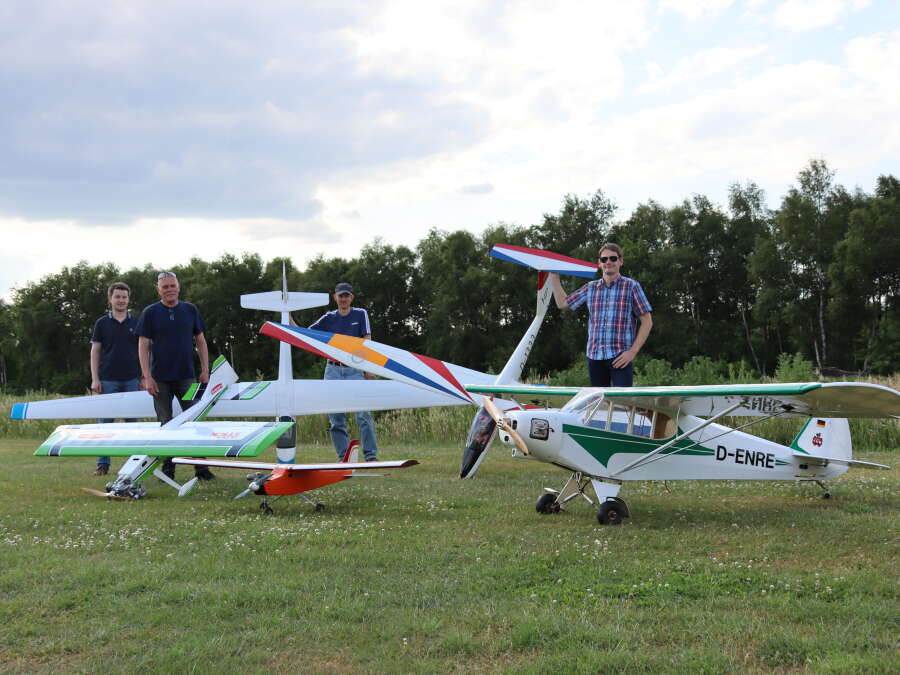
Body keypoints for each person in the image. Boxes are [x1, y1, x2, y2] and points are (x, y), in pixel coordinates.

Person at [136, 271, 214, 480]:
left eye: (172, 286)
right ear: (158, 289)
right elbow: (143, 346)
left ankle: (201, 469)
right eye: (165, 287)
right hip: (159, 378)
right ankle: (168, 469)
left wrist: (205, 370)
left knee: (193, 423)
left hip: (186, 376)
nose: (169, 289)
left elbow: (201, 341)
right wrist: (147, 376)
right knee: (165, 423)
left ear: (178, 287)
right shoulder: (150, 312)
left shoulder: (190, 310)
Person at [549, 243, 653, 387]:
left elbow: (647, 322)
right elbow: (562, 303)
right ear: (599, 263)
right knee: (599, 402)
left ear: (620, 261)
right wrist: (554, 277)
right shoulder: (591, 287)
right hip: (594, 356)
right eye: (604, 259)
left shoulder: (631, 286)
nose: (608, 262)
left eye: (613, 258)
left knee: (622, 403)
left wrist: (632, 352)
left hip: (620, 356)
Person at [309, 282, 379, 461]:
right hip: (332, 370)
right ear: (335, 298)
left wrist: (368, 369)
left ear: (351, 298)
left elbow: (367, 342)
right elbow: (305, 334)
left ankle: (370, 457)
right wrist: (288, 317)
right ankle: (343, 459)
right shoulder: (328, 317)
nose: (343, 299)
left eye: (346, 296)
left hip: (355, 370)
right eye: (340, 296)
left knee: (363, 415)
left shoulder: (361, 314)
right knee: (336, 417)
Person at [89, 281, 140, 475]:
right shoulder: (101, 323)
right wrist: (95, 378)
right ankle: (103, 464)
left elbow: (144, 351)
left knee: (133, 424)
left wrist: (145, 377)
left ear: (128, 299)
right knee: (105, 425)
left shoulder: (137, 322)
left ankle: (135, 464)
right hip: (107, 379)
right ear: (110, 299)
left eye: (124, 297)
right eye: (117, 297)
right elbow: (95, 352)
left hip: (132, 380)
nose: (121, 300)